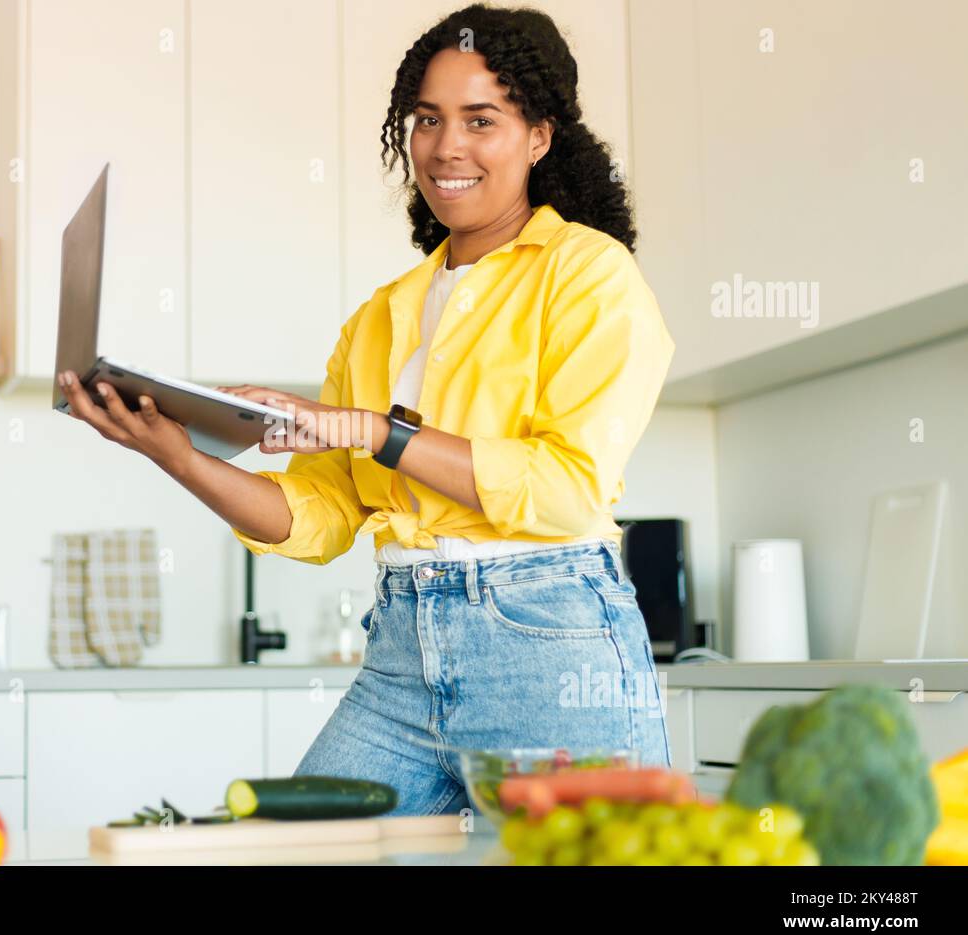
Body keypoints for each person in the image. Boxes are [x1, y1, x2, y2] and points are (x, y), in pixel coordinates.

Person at [57, 3, 675, 816]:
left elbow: (566, 490)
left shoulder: (591, 275)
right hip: (401, 656)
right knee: (291, 848)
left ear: (539, 137)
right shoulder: (381, 318)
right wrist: (179, 456)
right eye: (427, 119)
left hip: (550, 644)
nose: (446, 146)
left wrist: (375, 430)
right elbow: (319, 517)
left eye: (480, 120)